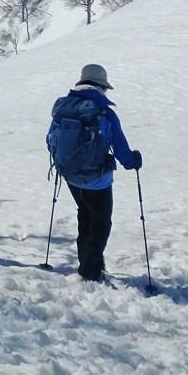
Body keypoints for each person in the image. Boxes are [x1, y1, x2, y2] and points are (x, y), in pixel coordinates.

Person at [45, 62, 142, 283]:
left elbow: (50, 140)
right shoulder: (104, 113)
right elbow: (120, 149)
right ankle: (90, 272)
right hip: (97, 180)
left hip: (70, 176)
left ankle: (87, 265)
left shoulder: (63, 107)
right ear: (101, 87)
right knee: (100, 225)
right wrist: (133, 161)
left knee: (84, 215)